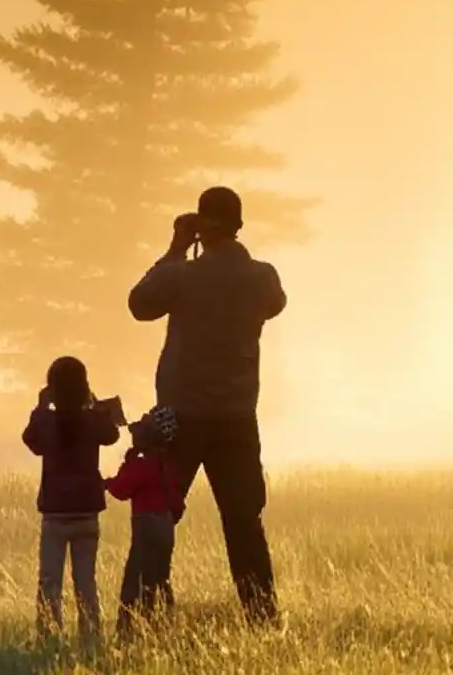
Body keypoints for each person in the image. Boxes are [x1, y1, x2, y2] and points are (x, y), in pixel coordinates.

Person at [127, 186, 287, 625]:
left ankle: (143, 615)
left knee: (158, 514)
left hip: (180, 415)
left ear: (202, 224)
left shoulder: (182, 276)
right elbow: (275, 304)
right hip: (236, 416)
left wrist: (177, 248)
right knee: (243, 521)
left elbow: (139, 305)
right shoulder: (262, 277)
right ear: (238, 225)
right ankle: (261, 616)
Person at [21, 356, 121, 638]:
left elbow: (30, 440)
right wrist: (94, 403)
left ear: (51, 387)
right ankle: (91, 633)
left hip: (54, 513)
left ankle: (49, 634)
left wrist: (41, 406)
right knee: (86, 581)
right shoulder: (91, 421)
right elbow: (112, 434)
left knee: (50, 581)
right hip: (87, 512)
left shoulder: (47, 422)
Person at [105, 405, 186, 636]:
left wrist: (113, 477)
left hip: (146, 525)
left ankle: (126, 628)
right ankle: (161, 625)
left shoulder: (142, 465)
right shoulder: (168, 465)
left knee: (135, 578)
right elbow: (177, 500)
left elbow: (121, 490)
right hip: (166, 525)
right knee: (160, 578)